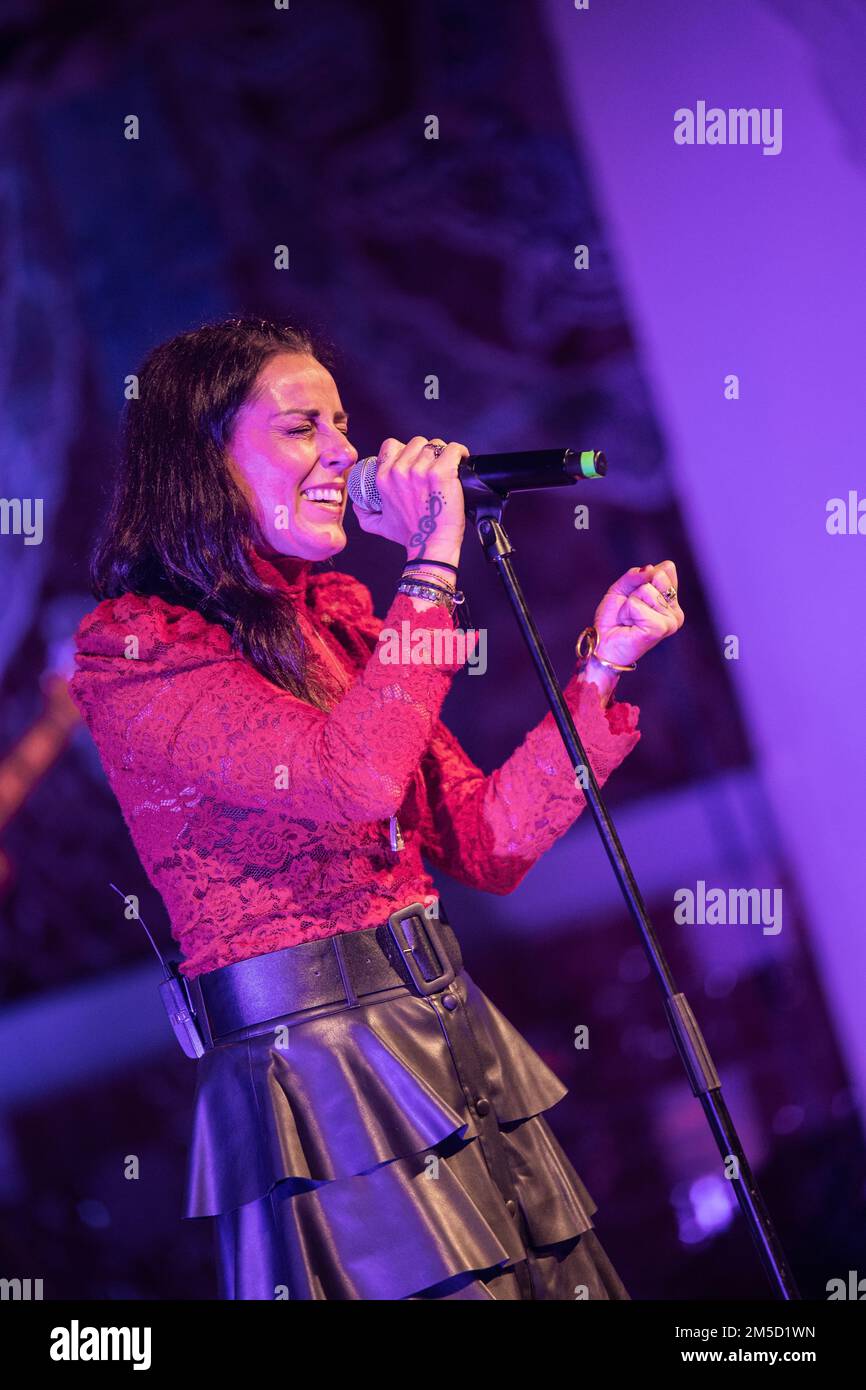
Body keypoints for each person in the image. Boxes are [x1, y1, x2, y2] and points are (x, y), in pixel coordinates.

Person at [69, 316, 684, 1301]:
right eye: (302, 426)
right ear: (200, 453)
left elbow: (486, 840)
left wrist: (601, 666)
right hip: (318, 1076)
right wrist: (432, 564)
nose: (347, 453)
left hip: (444, 1032)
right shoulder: (137, 646)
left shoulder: (339, 616)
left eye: (343, 423)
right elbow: (344, 779)